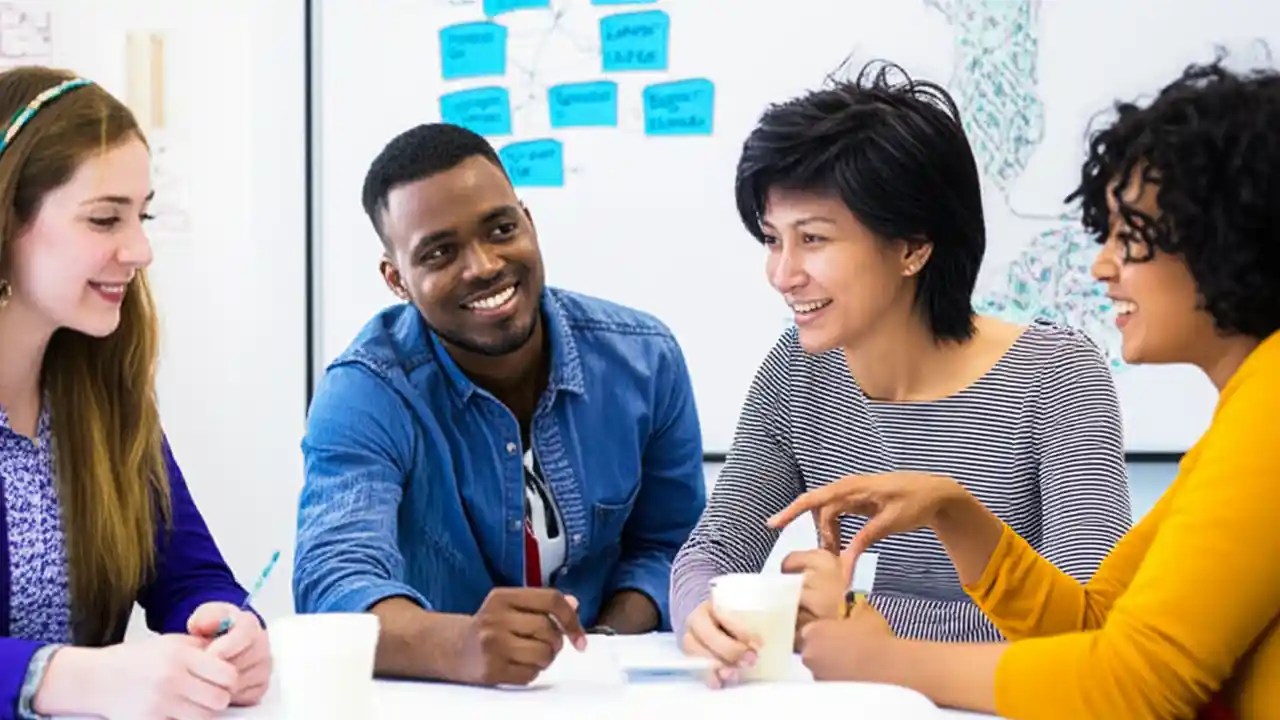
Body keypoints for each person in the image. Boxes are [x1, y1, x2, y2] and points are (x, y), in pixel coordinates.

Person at [772, 59, 1280, 719]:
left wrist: (886, 661)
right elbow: (1096, 627)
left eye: (1131, 240)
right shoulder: (1249, 410)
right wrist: (954, 511)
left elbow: (1135, 685)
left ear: (1225, 242)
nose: (1103, 267)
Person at [671, 60, 1134, 686]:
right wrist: (705, 611)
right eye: (772, 239)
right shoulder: (796, 373)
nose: (782, 275)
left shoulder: (1057, 372)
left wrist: (854, 614)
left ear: (913, 248)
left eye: (812, 240)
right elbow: (713, 549)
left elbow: (1082, 623)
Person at [294, 122, 706, 686]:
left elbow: (672, 546)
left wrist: (601, 645)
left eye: (501, 229)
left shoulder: (644, 360)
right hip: (438, 698)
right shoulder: (365, 392)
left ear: (529, 224)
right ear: (398, 280)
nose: (484, 265)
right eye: (439, 253)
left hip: (609, 692)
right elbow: (334, 581)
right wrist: (459, 646)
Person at [0, 67, 270, 719]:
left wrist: (226, 626)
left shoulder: (101, 391)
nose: (142, 249)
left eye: (140, 215)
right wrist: (63, 677)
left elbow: (191, 575)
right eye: (104, 219)